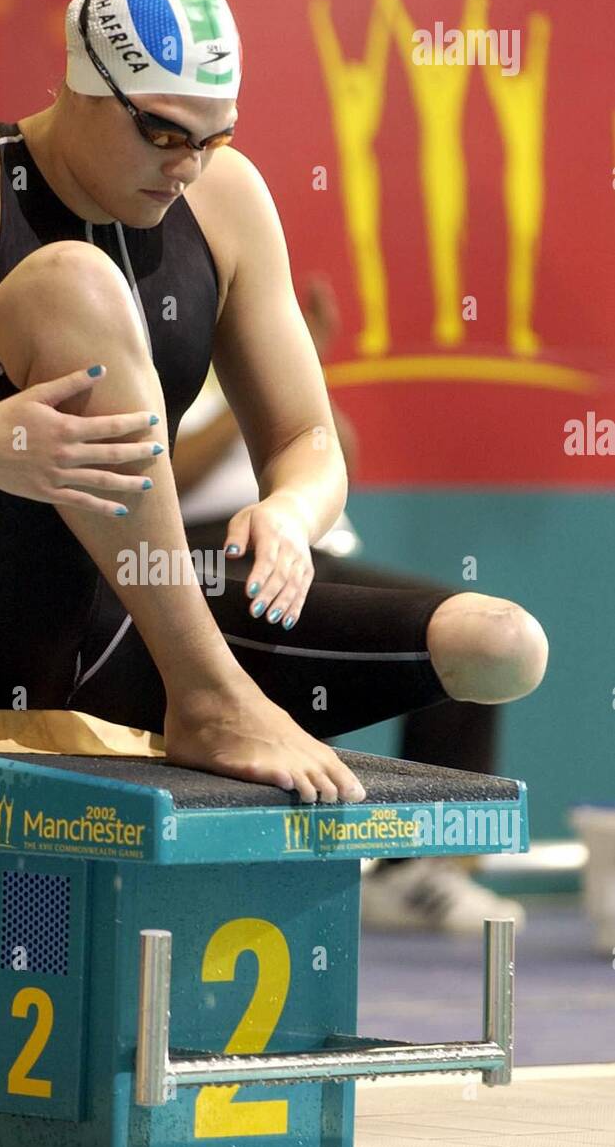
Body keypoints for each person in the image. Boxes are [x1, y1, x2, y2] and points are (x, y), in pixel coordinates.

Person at [0, 0, 549, 811]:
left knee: (499, 646)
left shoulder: (227, 201)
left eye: (213, 139)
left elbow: (305, 440)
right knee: (71, 285)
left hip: (133, 633)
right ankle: (210, 693)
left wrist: (289, 511)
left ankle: (211, 691)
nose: (187, 167)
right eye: (163, 133)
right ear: (80, 86)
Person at [177, 277, 525, 933]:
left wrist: (298, 379)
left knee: (464, 625)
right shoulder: (162, 381)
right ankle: (292, 860)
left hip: (308, 549)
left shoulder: (260, 377)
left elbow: (334, 465)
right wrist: (241, 407)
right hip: (205, 555)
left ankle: (424, 869)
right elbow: (169, 473)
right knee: (291, 639)